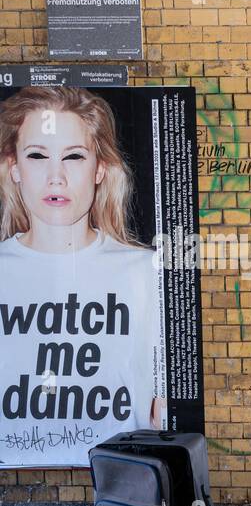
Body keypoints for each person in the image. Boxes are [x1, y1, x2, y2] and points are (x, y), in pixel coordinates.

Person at [0, 85, 164, 466]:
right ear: (15, 168)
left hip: (123, 485)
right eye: (37, 155)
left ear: (100, 168)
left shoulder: (146, 273)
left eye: (73, 156)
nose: (56, 177)